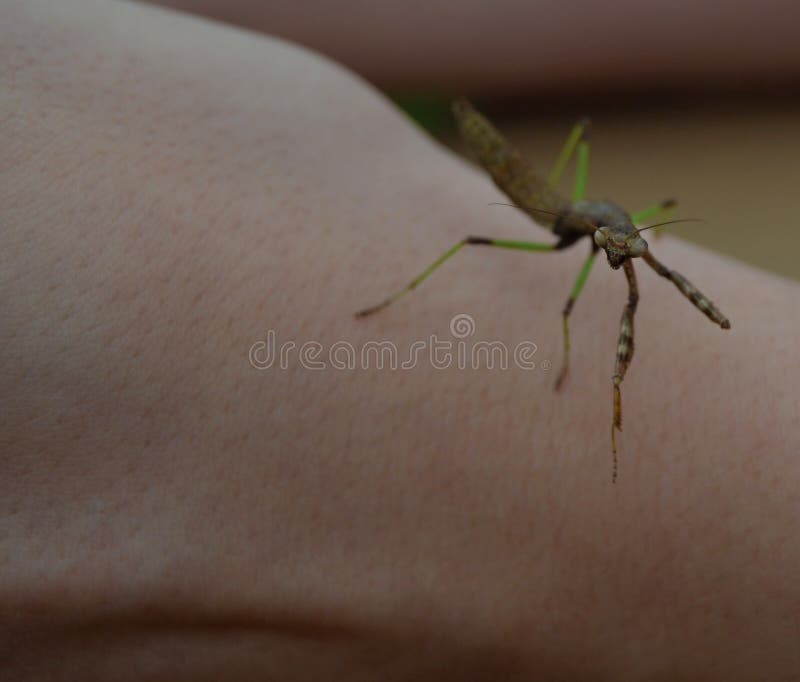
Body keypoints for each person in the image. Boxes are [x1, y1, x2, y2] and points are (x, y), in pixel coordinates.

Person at [1, 1, 798, 680]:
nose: (627, 254)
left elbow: (621, 218)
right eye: (621, 245)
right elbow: (583, 252)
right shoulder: (570, 236)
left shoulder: (611, 240)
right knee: (510, 269)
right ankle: (401, 297)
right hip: (536, 202)